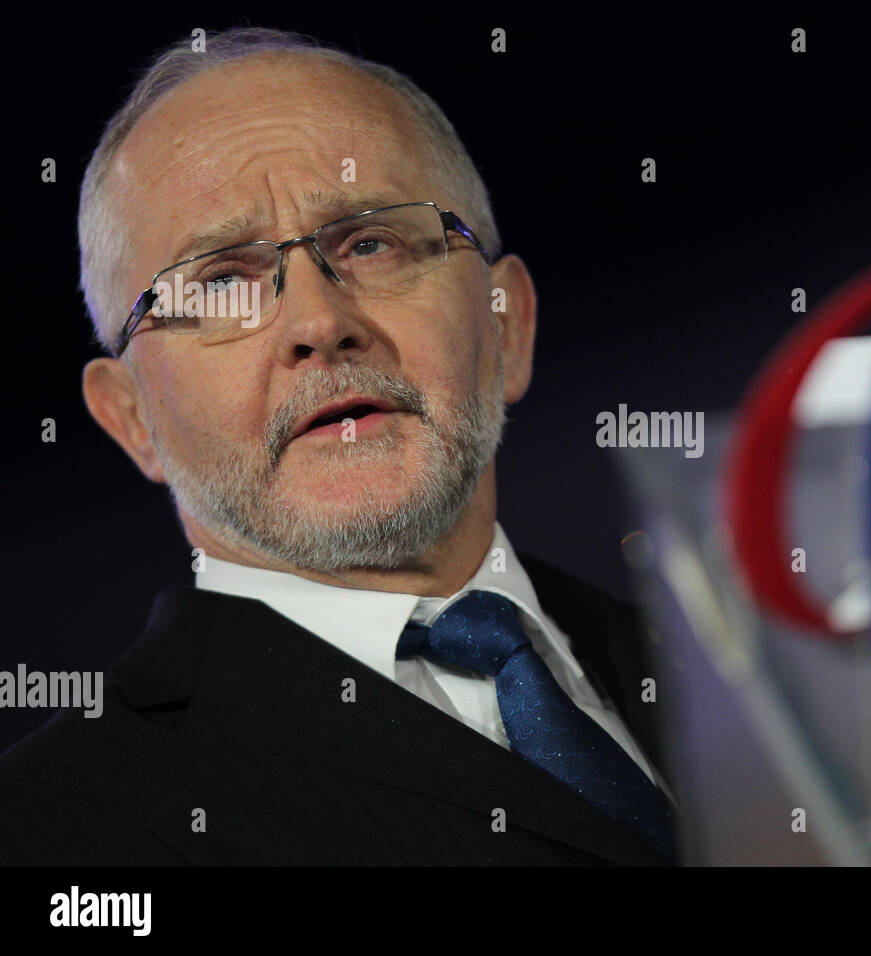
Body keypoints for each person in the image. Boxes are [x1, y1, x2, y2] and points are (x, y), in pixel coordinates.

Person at [0, 27, 675, 866]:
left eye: (370, 243)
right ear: (132, 417)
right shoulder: (55, 833)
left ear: (509, 327)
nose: (319, 324)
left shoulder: (732, 674)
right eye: (221, 282)